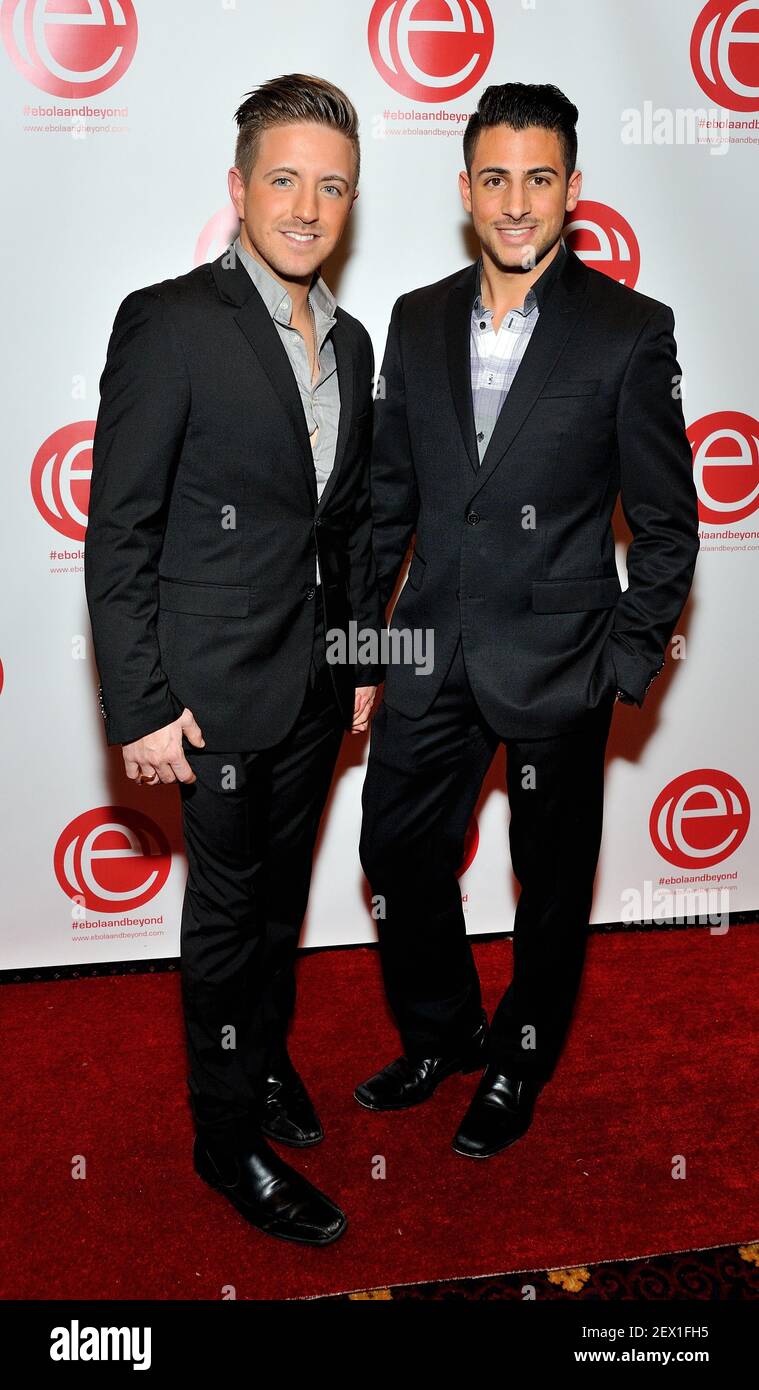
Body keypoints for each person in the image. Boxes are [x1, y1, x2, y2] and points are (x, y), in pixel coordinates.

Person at [357, 83, 700, 1158]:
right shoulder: (414, 319)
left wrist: (623, 663)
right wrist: (367, 643)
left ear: (573, 191)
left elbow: (667, 523)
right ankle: (444, 1030)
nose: (516, 202)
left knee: (550, 887)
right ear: (465, 190)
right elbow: (388, 505)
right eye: (495, 178)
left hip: (562, 663)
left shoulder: (629, 331)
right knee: (394, 849)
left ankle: (520, 1057)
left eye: (538, 179)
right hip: (429, 651)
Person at [84, 74, 383, 1244]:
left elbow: (348, 522)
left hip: (314, 686)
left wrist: (360, 658)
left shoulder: (350, 343)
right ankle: (225, 1138)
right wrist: (141, 702)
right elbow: (121, 527)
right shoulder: (169, 321)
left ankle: (259, 1060)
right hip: (209, 701)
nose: (307, 206)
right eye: (285, 180)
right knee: (224, 916)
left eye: (333, 186)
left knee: (276, 906)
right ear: (238, 188)